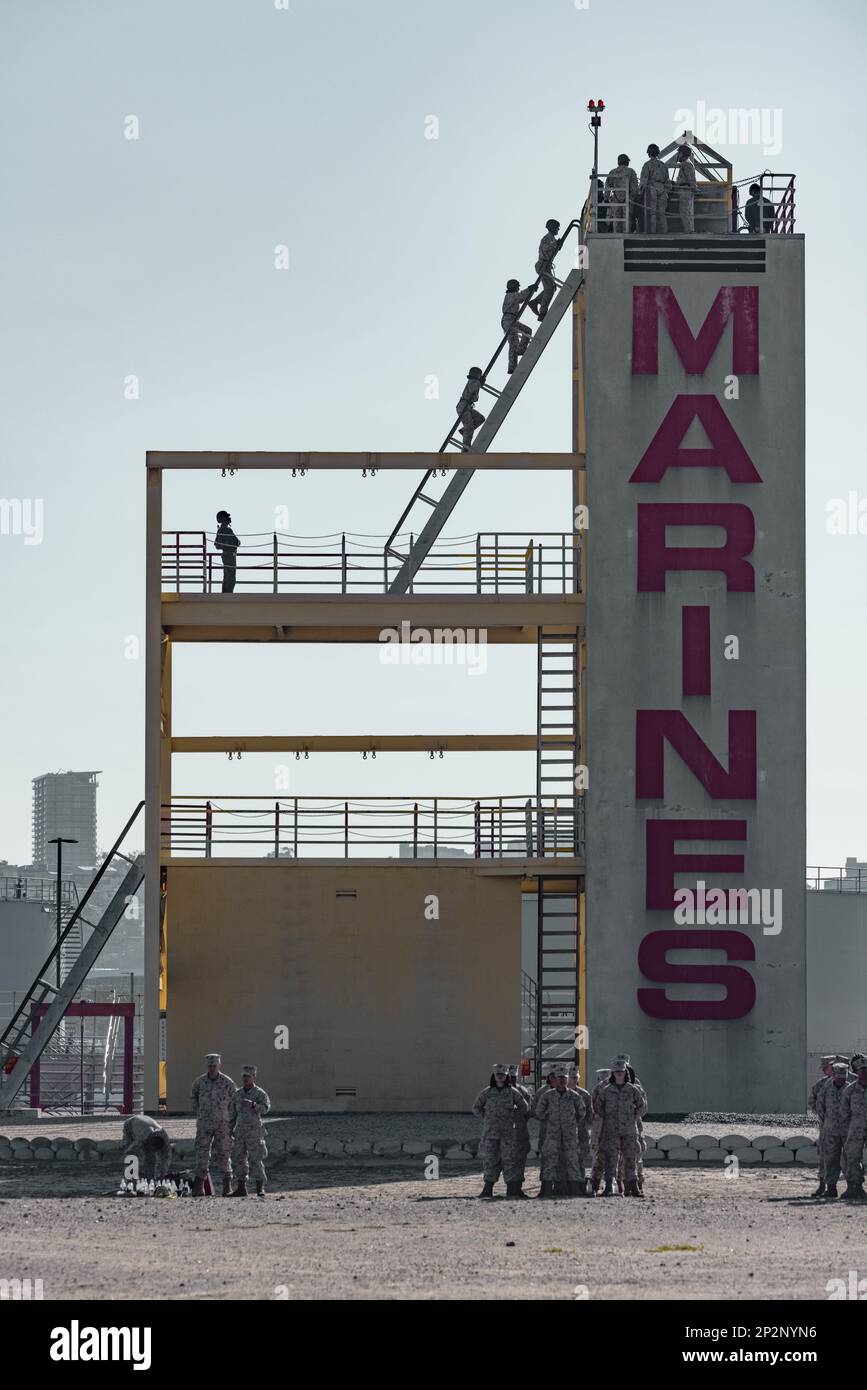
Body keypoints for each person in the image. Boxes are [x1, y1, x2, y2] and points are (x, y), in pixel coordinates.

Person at [472, 1063, 530, 1199]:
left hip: (508, 1134)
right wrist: (487, 1117)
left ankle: (512, 1189)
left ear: (506, 1076)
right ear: (494, 1076)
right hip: (491, 1133)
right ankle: (488, 1188)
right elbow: (476, 1108)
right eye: (498, 1074)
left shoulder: (512, 1092)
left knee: (510, 1160)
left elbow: (525, 1107)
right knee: (490, 1159)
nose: (500, 1077)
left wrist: (513, 1116)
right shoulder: (487, 1092)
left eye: (503, 1075)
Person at [534, 1065, 590, 1198]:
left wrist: (572, 1121)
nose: (562, 1080)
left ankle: (574, 1190)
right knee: (550, 1161)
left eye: (564, 1078)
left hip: (570, 1135)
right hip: (552, 1135)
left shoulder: (574, 1096)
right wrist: (549, 1118)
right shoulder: (548, 1095)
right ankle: (547, 1190)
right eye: (559, 1078)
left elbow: (582, 1112)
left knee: (572, 1161)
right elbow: (539, 1112)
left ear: (567, 1079)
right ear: (555, 1079)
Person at [595, 1059, 646, 1197]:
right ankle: (608, 1187)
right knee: (611, 1158)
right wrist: (608, 1118)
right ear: (613, 1073)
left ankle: (634, 1187)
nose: (619, 1073)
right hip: (611, 1130)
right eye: (616, 1071)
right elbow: (598, 1106)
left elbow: (642, 1106)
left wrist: (633, 1117)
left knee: (630, 1158)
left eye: (621, 1071)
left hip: (629, 1130)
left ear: (625, 1072)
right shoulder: (606, 1090)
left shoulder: (632, 1089)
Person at [191, 1052, 237, 1197]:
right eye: (210, 1066)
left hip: (222, 1124)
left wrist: (230, 1120)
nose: (212, 1068)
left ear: (219, 1065)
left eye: (214, 1066)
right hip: (204, 1124)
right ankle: (199, 1187)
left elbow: (234, 1102)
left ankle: (227, 1187)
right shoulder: (199, 1082)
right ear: (207, 1066)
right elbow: (193, 1097)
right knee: (202, 1153)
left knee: (224, 1153)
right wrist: (199, 1112)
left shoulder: (227, 1082)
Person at [231, 1064, 271, 1198]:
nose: (245, 1078)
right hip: (240, 1132)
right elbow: (232, 1114)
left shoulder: (260, 1093)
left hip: (254, 1132)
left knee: (256, 1159)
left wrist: (254, 1105)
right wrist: (230, 1130)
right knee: (239, 1159)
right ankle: (241, 1188)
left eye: (248, 1076)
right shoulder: (237, 1094)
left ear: (254, 1077)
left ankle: (260, 1188)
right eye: (244, 1076)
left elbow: (266, 1108)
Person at [816, 1062, 851, 1199]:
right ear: (834, 1075)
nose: (841, 1080)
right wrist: (826, 1122)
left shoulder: (851, 1089)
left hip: (847, 1130)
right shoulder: (826, 1088)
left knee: (849, 1159)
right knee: (831, 1159)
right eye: (839, 1077)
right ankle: (831, 1188)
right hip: (830, 1130)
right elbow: (820, 1106)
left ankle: (852, 1187)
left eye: (844, 1077)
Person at [840, 1055, 867, 1200]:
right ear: (856, 1072)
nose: (864, 1072)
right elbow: (844, 1113)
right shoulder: (850, 1090)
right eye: (861, 1070)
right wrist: (847, 1130)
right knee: (851, 1157)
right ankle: (854, 1187)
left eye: (866, 1069)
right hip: (856, 1128)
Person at [808, 1056, 837, 1196]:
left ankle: (853, 1187)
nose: (824, 1071)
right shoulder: (820, 1085)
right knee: (825, 1156)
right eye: (824, 1068)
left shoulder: (850, 1082)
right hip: (827, 1127)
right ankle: (823, 1186)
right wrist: (823, 1115)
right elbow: (812, 1103)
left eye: (826, 1068)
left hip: (846, 1127)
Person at [122, 1113, 173, 1183]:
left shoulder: (164, 1138)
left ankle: (150, 1178)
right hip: (130, 1125)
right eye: (152, 1149)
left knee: (151, 1157)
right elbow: (130, 1149)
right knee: (132, 1156)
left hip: (145, 1123)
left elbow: (167, 1157)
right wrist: (126, 1152)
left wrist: (163, 1174)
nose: (154, 1151)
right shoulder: (141, 1137)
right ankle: (130, 1179)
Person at [528, 219, 561, 321]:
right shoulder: (547, 238)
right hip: (543, 264)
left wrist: (558, 244)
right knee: (550, 288)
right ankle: (542, 312)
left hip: (546, 265)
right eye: (557, 227)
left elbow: (553, 250)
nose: (558, 229)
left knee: (551, 287)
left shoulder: (552, 238)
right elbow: (546, 247)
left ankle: (536, 301)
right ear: (552, 228)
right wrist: (556, 243)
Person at [501, 281, 534, 375]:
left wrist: (529, 291)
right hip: (510, 320)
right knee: (527, 331)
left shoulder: (509, 296)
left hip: (507, 321)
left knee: (513, 344)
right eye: (517, 286)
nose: (518, 288)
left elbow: (520, 299)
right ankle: (521, 349)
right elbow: (520, 297)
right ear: (513, 286)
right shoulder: (511, 295)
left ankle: (512, 367)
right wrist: (529, 289)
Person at [508, 1064, 533, 1176]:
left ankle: (518, 1180)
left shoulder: (523, 1091)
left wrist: (520, 1120)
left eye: (514, 1077)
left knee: (521, 1154)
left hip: (520, 1130)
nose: (512, 1079)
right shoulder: (500, 1091)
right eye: (510, 1077)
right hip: (504, 1129)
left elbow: (529, 1110)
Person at [639, 144, 670, 233]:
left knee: (651, 213)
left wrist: (640, 192)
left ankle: (651, 233)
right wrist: (666, 191)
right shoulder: (663, 165)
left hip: (650, 189)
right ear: (658, 153)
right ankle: (663, 234)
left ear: (649, 153)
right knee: (661, 214)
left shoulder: (647, 165)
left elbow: (643, 180)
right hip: (662, 190)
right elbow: (667, 181)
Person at [605, 155, 639, 235]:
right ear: (627, 162)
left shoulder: (613, 172)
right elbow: (634, 189)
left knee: (616, 219)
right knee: (628, 218)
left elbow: (607, 187)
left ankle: (617, 236)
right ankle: (627, 235)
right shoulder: (631, 171)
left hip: (616, 199)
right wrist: (632, 197)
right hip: (628, 199)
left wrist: (606, 198)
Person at [456, 367, 485, 452]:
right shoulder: (475, 382)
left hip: (466, 406)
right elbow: (475, 398)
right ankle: (465, 448)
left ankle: (464, 431)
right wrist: (480, 383)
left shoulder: (473, 382)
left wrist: (480, 383)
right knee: (469, 427)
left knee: (480, 419)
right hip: (464, 406)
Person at [215, 511, 240, 594]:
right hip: (229, 555)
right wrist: (228, 545)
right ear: (223, 518)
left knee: (228, 575)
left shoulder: (223, 529)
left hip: (228, 555)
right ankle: (227, 593)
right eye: (227, 517)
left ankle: (226, 592)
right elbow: (217, 544)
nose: (229, 518)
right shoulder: (225, 529)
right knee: (230, 576)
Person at [675, 143, 697, 233]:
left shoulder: (687, 165)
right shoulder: (685, 164)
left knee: (685, 212)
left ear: (683, 154)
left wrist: (694, 188)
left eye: (679, 153)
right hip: (684, 190)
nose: (678, 155)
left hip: (685, 191)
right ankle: (689, 230)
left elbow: (691, 179)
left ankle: (689, 230)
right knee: (686, 212)